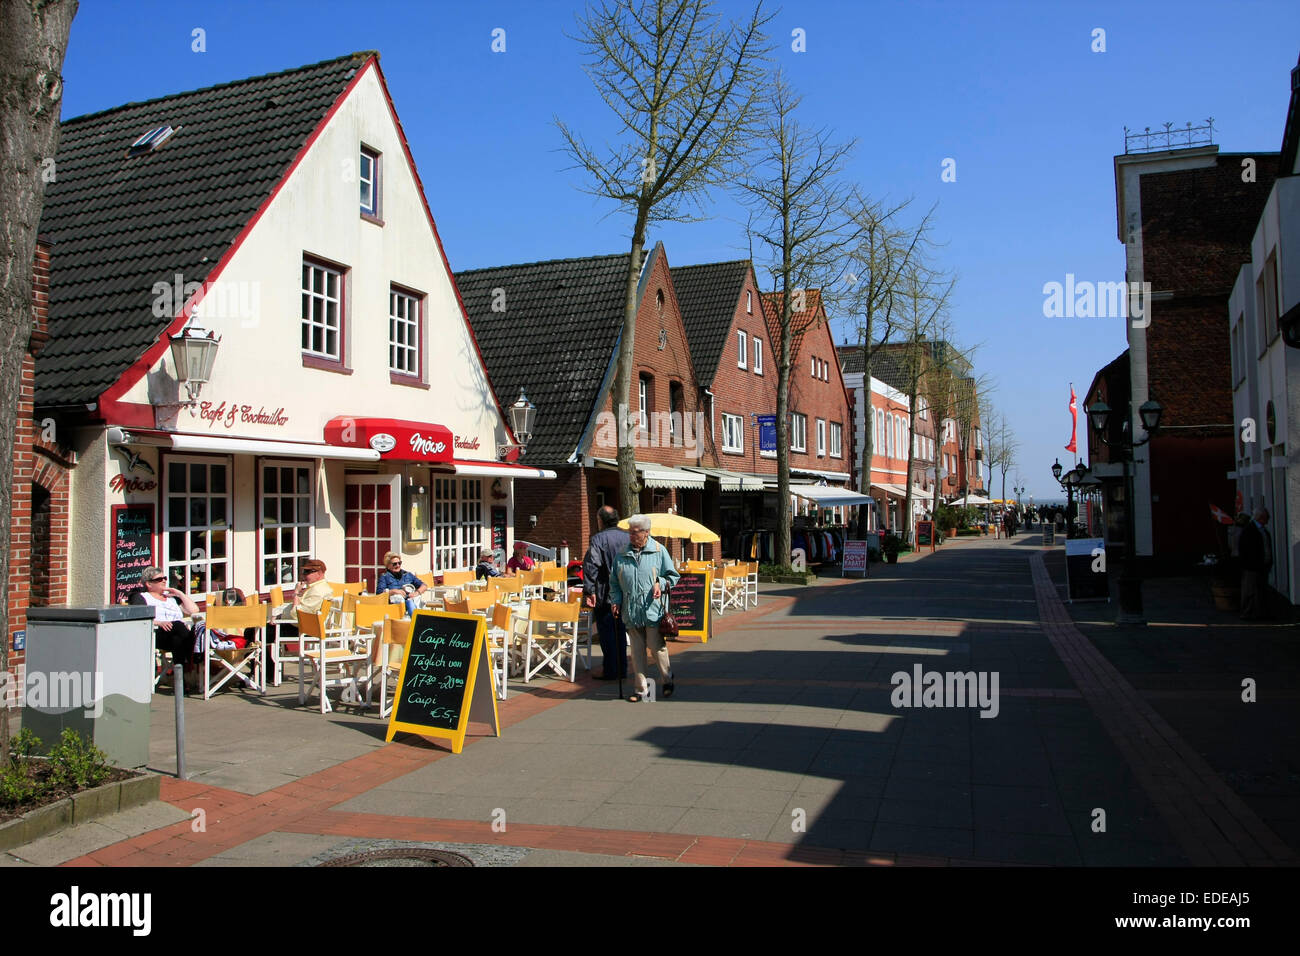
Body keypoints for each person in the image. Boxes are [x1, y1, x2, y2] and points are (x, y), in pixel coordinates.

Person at [609, 514, 680, 702]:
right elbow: (614, 582)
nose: (631, 536)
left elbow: (673, 576)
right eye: (630, 532)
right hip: (631, 610)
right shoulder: (622, 554)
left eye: (635, 532)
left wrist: (660, 582)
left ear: (646, 533)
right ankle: (641, 690)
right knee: (637, 651)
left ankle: (667, 678)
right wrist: (615, 601)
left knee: (656, 647)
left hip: (653, 609)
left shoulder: (659, 550)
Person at [130, 566, 200, 690]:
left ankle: (180, 680)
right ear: (149, 584)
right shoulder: (141, 597)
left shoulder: (172, 599)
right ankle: (194, 656)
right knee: (179, 626)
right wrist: (159, 622)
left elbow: (194, 610)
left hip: (176, 637)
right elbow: (138, 617)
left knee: (178, 639)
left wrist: (179, 593)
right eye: (159, 579)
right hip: (157, 634)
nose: (164, 581)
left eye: (165, 578)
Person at [582, 505, 629, 681]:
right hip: (625, 593)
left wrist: (589, 590)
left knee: (607, 633)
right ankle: (622, 669)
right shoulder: (627, 537)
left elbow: (591, 565)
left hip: (606, 593)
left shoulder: (598, 539)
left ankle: (611, 670)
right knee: (621, 632)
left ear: (600, 520)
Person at [1238, 507, 1273, 620]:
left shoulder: (1262, 530)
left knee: (1260, 590)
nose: (1268, 520)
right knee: (1250, 591)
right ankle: (1247, 613)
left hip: (1262, 566)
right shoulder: (1249, 530)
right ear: (1260, 518)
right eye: (1266, 517)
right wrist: (1250, 564)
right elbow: (1245, 550)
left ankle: (1259, 612)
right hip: (1252, 567)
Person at [377, 551, 426, 616]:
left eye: (399, 563)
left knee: (411, 601)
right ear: (388, 566)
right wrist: (394, 591)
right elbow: (379, 593)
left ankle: (415, 619)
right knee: (408, 602)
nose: (398, 565)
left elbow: (424, 586)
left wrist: (416, 593)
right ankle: (415, 620)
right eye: (395, 564)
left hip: (411, 602)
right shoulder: (384, 577)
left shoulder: (407, 575)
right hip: (395, 608)